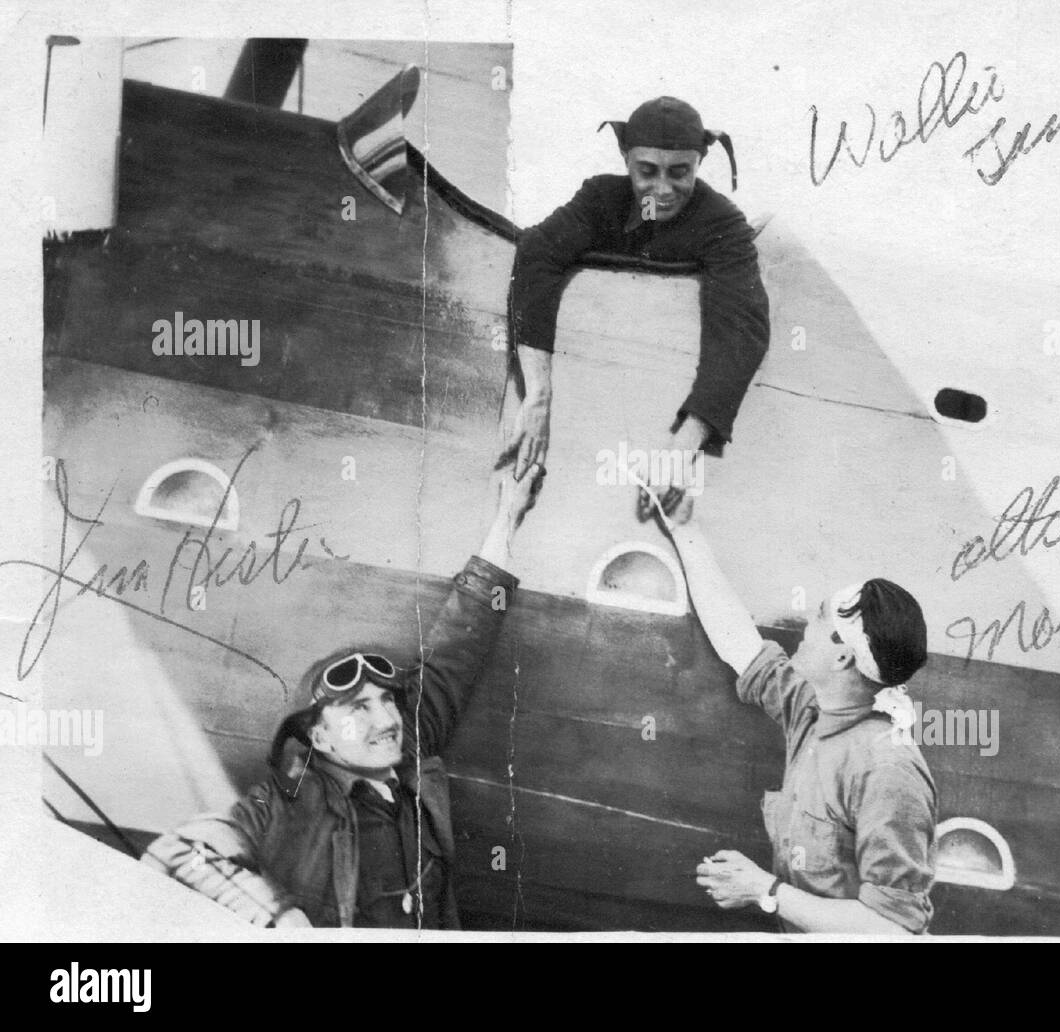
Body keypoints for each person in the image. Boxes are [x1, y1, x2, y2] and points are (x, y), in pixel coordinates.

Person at [141, 463, 544, 929]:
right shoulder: (288, 802)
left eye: (387, 700)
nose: (387, 718)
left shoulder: (406, 746)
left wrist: (509, 517)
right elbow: (177, 853)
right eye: (359, 708)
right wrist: (281, 917)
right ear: (322, 738)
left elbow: (462, 639)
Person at [651, 492, 938, 934]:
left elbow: (893, 931)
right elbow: (741, 645)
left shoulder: (888, 769)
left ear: (844, 658)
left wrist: (763, 890)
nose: (808, 620)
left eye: (822, 618)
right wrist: (684, 529)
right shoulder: (815, 710)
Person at [503, 96, 770, 519]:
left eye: (680, 172)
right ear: (625, 157)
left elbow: (742, 329)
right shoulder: (601, 199)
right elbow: (537, 255)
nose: (662, 190)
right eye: (647, 171)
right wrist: (537, 394)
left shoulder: (721, 223)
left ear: (699, 162)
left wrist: (685, 445)